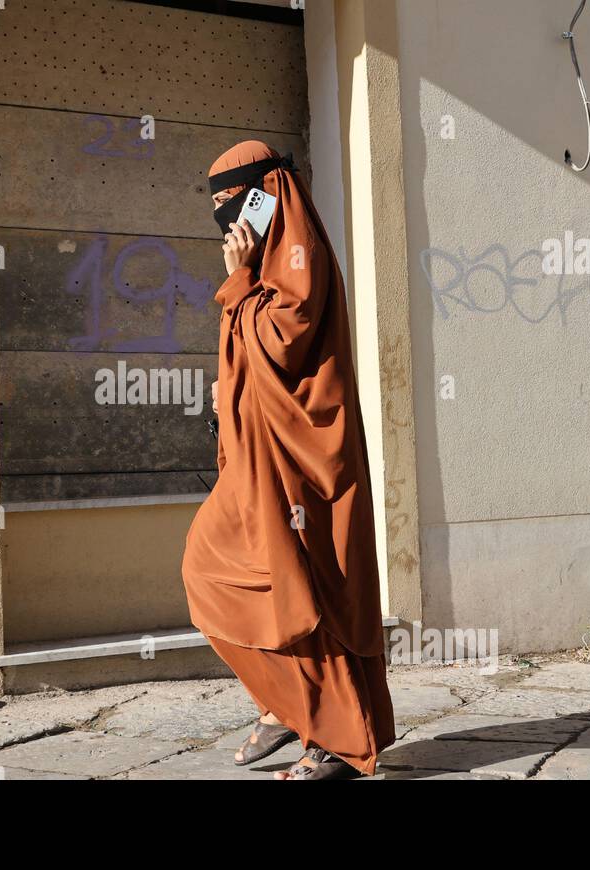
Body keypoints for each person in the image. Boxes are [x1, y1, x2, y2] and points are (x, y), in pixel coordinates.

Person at [181, 140, 395, 780]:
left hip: (304, 462)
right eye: (216, 204)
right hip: (259, 459)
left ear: (266, 194)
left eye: (233, 201)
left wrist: (241, 278)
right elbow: (250, 344)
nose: (224, 217)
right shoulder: (270, 260)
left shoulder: (298, 255)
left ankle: (335, 744)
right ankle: (284, 703)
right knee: (210, 568)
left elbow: (281, 339)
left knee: (307, 581)